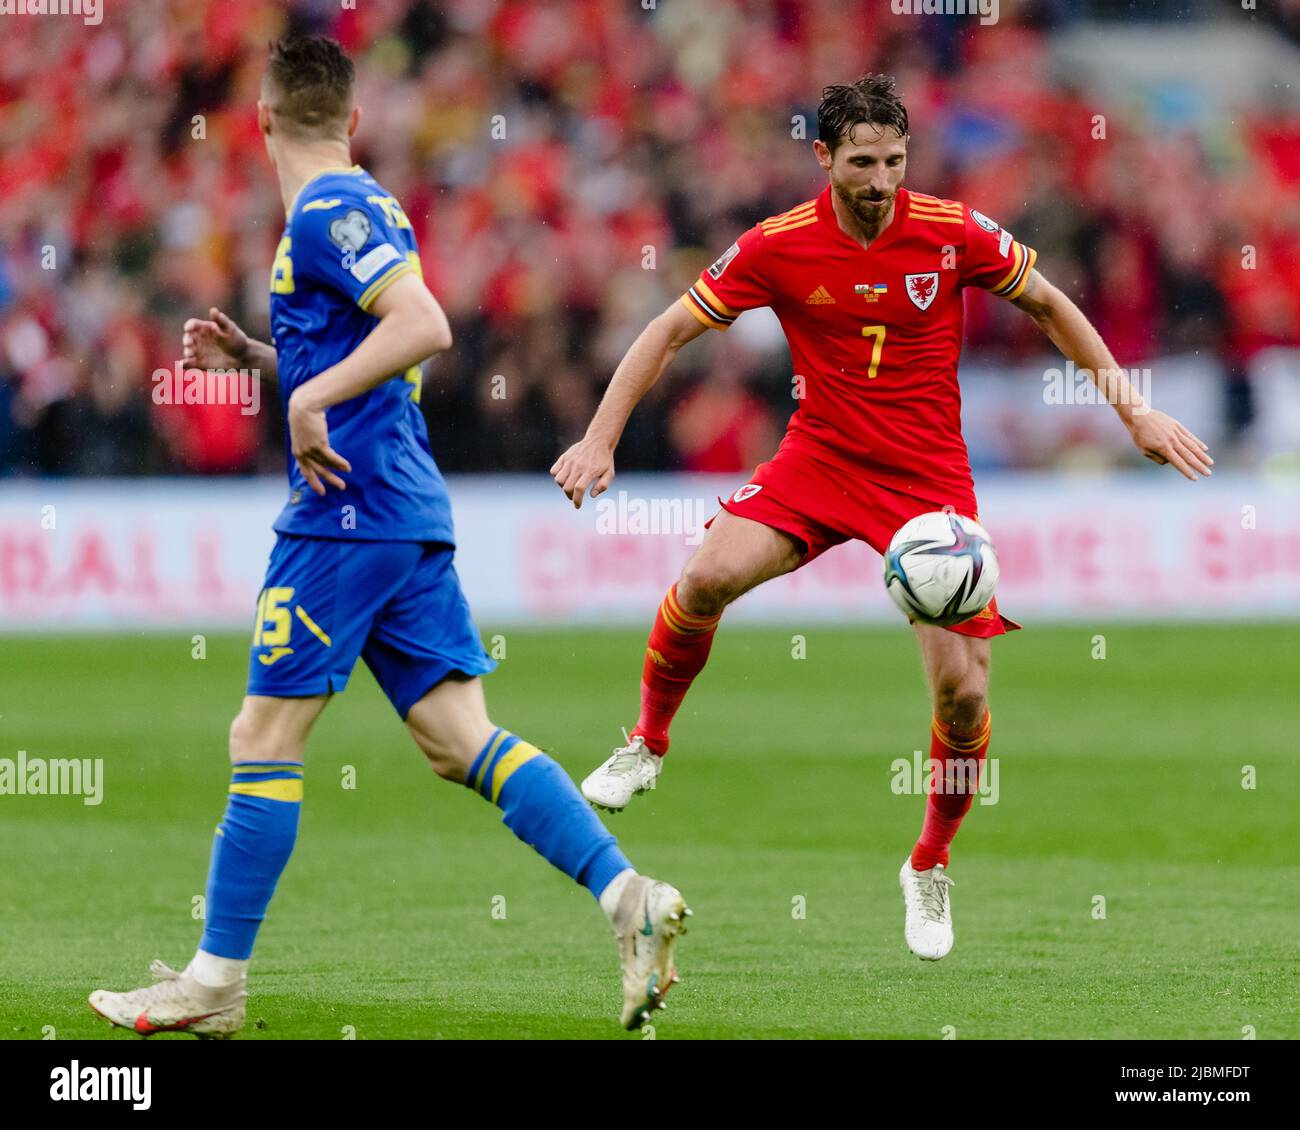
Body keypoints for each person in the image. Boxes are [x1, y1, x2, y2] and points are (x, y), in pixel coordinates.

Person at [90, 35, 687, 1037]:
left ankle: (213, 983)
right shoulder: (367, 202)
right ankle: (627, 896)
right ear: (353, 120)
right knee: (460, 741)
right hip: (405, 508)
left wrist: (309, 394)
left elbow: (424, 324)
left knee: (260, 736)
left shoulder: (323, 210)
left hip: (344, 513)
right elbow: (370, 342)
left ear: (264, 119)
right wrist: (268, 357)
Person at [551, 74, 1211, 963]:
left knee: (965, 693)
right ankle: (647, 742)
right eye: (862, 162)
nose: (880, 179)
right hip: (819, 459)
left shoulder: (951, 230)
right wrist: (599, 439)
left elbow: (1051, 305)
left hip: (929, 483)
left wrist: (1132, 409)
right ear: (823, 157)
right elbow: (668, 330)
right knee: (704, 576)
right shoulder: (777, 245)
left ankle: (928, 863)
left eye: (894, 161)